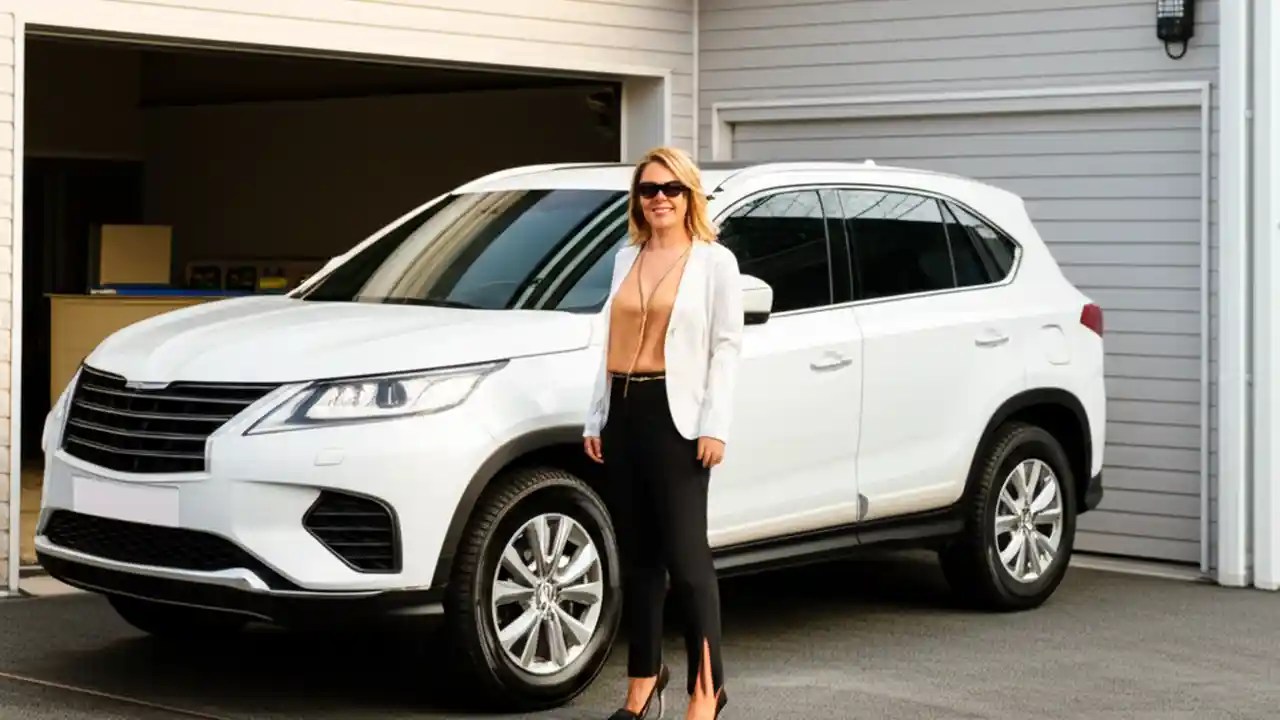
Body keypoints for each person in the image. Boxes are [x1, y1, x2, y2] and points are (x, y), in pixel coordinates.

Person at [583, 146, 743, 720]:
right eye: (648, 189)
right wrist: (595, 416)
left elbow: (726, 347)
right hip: (623, 413)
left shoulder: (714, 263)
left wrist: (714, 426)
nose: (659, 199)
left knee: (687, 559)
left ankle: (708, 690)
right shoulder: (626, 258)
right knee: (641, 560)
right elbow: (608, 342)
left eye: (671, 189)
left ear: (689, 196)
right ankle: (643, 684)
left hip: (678, 419)